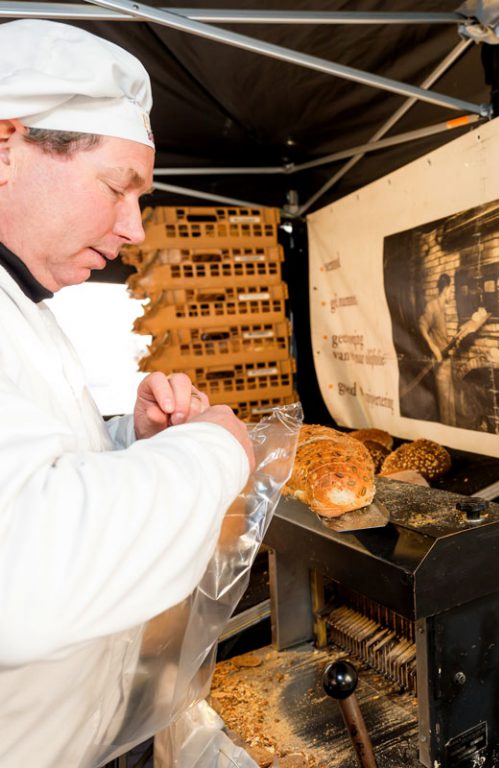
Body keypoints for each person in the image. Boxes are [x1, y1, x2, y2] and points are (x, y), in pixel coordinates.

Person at [0, 20, 258, 767]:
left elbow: (30, 469)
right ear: (6, 145)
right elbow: (29, 569)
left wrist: (127, 443)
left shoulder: (25, 306)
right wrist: (214, 449)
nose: (134, 229)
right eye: (119, 187)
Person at [418, 272, 456, 424]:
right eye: (451, 291)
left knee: (450, 401)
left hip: (448, 361)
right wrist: (433, 347)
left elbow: (442, 334)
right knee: (445, 402)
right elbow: (422, 326)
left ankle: (453, 430)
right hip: (440, 363)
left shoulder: (444, 308)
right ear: (446, 289)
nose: (452, 294)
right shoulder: (432, 306)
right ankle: (448, 433)